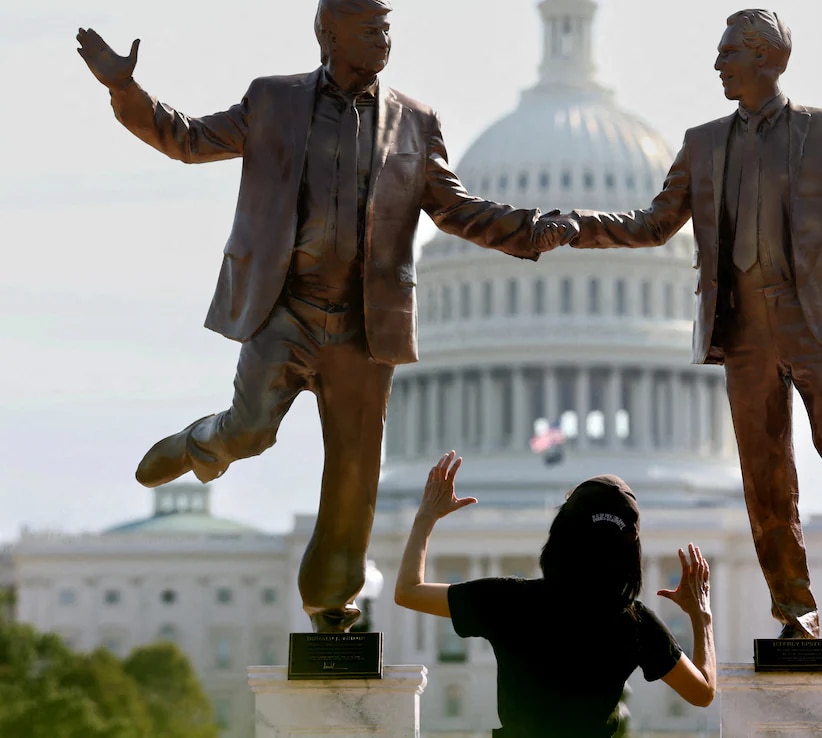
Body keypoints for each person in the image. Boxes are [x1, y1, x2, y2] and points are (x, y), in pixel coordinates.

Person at [75, 0, 549, 632]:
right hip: (286, 308)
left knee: (355, 470)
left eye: (388, 28)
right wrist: (125, 88)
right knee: (252, 432)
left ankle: (331, 597)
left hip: (364, 323)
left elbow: (457, 209)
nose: (384, 38)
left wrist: (534, 230)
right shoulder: (274, 101)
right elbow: (187, 140)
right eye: (370, 27)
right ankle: (201, 442)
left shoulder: (415, 121)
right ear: (328, 33)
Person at [532, 9, 822, 638]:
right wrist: (579, 225)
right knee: (766, 487)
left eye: (730, 52)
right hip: (744, 332)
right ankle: (795, 611)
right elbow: (652, 225)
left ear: (768, 59)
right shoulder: (703, 143)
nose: (717, 63)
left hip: (814, 321)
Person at [395, 451, 716, 738]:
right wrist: (701, 616)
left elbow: (408, 592)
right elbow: (702, 693)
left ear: (560, 535)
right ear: (629, 553)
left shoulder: (509, 600)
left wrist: (426, 516)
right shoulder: (634, 622)